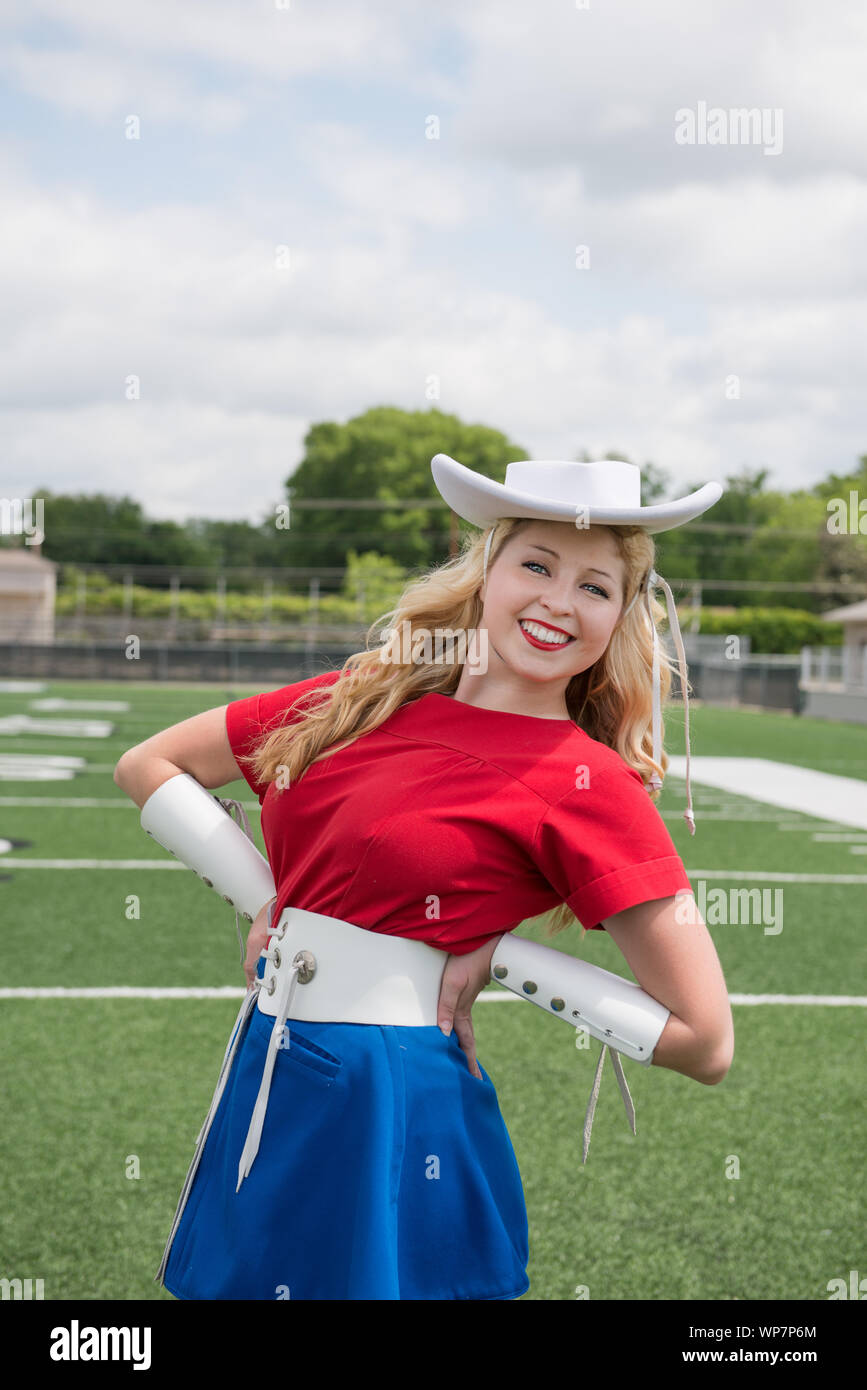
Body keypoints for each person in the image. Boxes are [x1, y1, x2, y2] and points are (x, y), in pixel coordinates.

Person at [113, 453, 734, 1301]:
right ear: (488, 571)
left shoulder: (590, 784)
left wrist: (499, 956)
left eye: (595, 587)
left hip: (391, 1098)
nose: (558, 602)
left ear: (622, 616)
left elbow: (705, 1041)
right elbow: (149, 766)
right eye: (537, 566)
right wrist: (273, 906)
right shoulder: (366, 694)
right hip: (273, 1058)